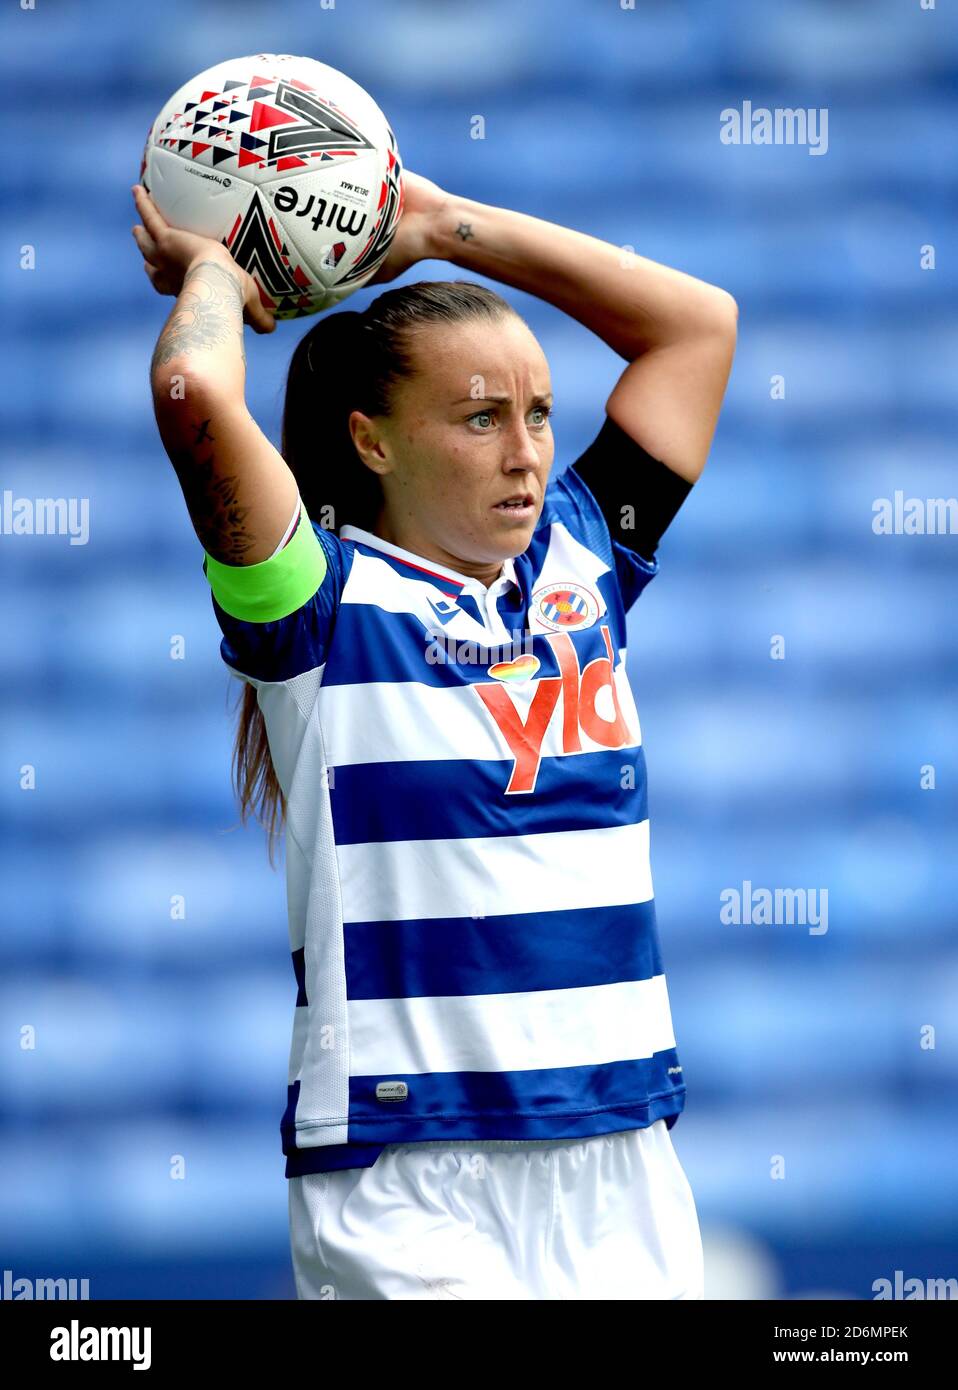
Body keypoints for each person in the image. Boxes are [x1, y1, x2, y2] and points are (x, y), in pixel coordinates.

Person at [131, 168, 737, 1300]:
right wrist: (215, 271)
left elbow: (698, 326)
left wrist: (442, 227)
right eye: (480, 417)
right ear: (371, 442)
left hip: (620, 1146)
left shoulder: (582, 557)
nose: (526, 451)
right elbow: (190, 391)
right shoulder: (317, 605)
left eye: (539, 413)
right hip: (408, 1171)